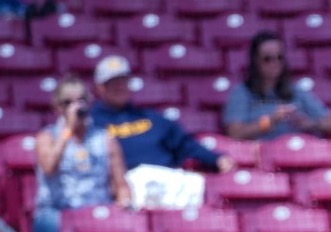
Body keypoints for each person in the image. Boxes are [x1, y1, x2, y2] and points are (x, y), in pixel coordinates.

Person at [90, 56, 232, 174]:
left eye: (122, 81)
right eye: (112, 83)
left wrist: (215, 158)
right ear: (100, 88)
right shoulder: (91, 122)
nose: (119, 87)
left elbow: (185, 144)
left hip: (164, 179)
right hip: (123, 184)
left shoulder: (151, 117)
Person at [32, 77, 128, 232]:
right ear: (57, 107)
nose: (75, 107)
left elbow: (120, 184)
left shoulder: (105, 138)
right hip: (58, 212)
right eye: (67, 102)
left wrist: (124, 205)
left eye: (81, 101)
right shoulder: (47, 137)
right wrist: (68, 130)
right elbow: (49, 167)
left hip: (97, 209)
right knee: (72, 227)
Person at [221, 32, 331, 142]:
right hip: (261, 156)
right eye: (267, 59)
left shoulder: (296, 90)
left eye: (280, 57)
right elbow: (234, 133)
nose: (275, 63)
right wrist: (270, 121)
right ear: (255, 61)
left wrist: (308, 123)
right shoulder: (242, 92)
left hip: (299, 154)